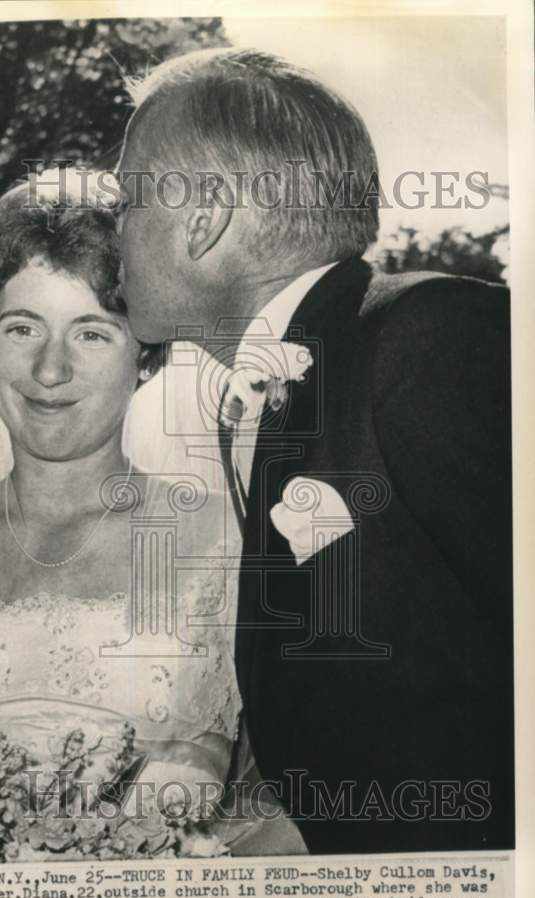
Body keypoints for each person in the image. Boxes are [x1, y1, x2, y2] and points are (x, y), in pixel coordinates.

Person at [0, 172, 306, 863]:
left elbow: (290, 806)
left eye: (91, 333)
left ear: (145, 357)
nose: (50, 369)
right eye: (21, 327)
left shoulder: (229, 545)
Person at [116, 47, 513, 854]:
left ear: (205, 215)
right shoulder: (248, 405)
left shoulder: (429, 340)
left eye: (126, 198)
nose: (111, 229)